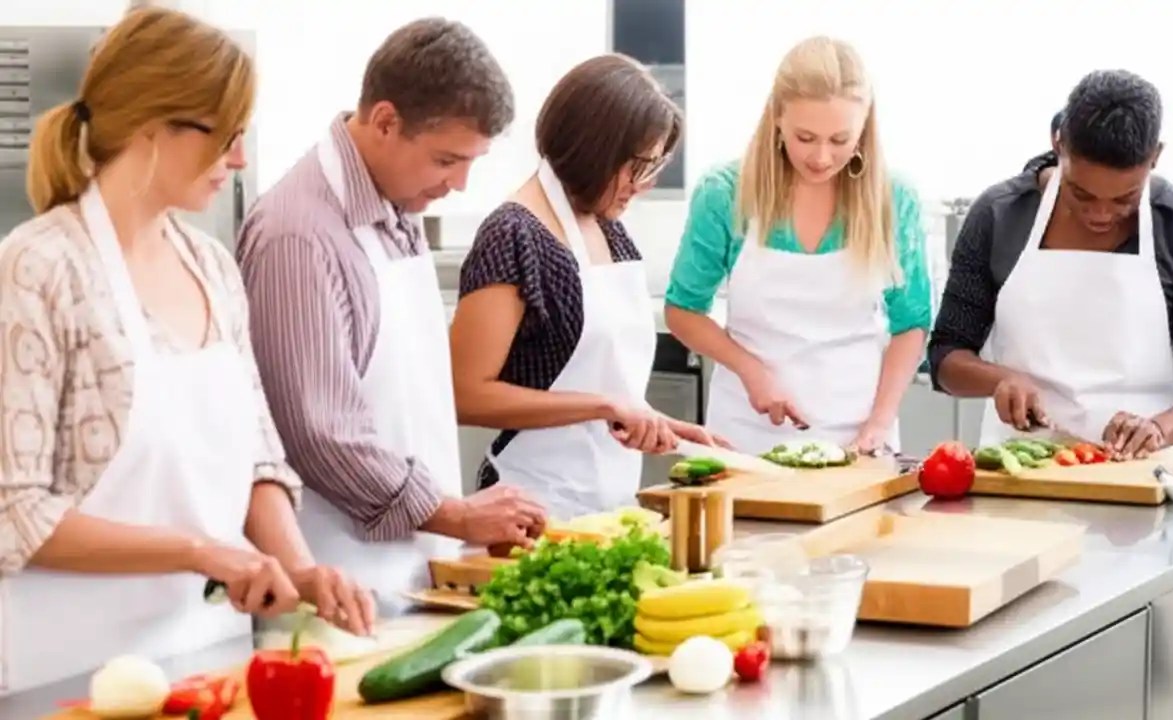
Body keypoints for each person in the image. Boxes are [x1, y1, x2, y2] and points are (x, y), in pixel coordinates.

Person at [0, 7, 372, 694]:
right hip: (68, 675)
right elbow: (12, 509)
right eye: (227, 136)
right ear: (154, 126)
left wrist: (297, 566)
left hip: (209, 661)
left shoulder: (211, 266)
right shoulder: (38, 267)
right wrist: (201, 551)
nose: (238, 160)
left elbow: (259, 457)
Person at [237, 19, 547, 603]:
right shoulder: (298, 236)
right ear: (385, 121)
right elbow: (320, 435)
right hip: (337, 585)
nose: (458, 183)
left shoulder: (394, 201)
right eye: (446, 160)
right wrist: (453, 513)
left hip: (413, 568)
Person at [928, 69, 1173, 458]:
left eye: (1124, 199)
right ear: (1058, 143)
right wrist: (1001, 379)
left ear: (1155, 158)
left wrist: (1158, 429)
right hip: (1025, 468)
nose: (1100, 215)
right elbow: (946, 355)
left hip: (1145, 472)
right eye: (1080, 193)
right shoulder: (999, 215)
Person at [450, 54, 718, 520]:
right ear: (595, 148)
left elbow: (605, 388)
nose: (644, 185)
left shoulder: (609, 228)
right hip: (525, 507)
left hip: (607, 503)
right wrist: (604, 405)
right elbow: (463, 393)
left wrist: (657, 423)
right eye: (638, 167)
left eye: (655, 167)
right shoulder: (513, 235)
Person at [663, 36, 933, 456]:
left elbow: (911, 324)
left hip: (858, 438)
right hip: (746, 435)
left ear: (865, 129)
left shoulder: (894, 200)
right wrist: (750, 370)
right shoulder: (725, 194)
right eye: (805, 137)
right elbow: (682, 310)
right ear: (777, 119)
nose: (822, 157)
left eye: (841, 140)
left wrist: (880, 422)